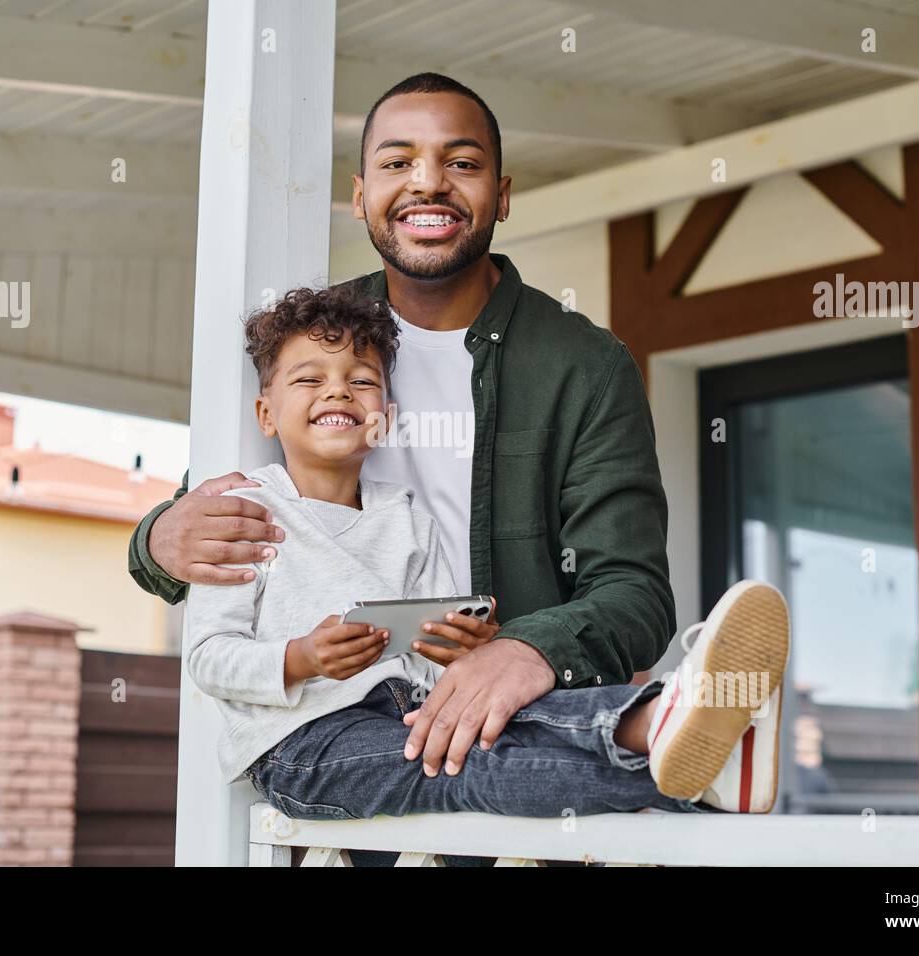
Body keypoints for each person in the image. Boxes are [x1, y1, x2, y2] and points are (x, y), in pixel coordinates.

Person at [130, 73, 790, 819]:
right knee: (462, 760)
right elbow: (202, 538)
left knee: (507, 743)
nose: (428, 185)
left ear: (502, 195)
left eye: (462, 163)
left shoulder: (583, 365)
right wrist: (160, 536)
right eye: (397, 162)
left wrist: (525, 649)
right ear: (360, 194)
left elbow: (634, 596)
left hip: (512, 736)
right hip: (335, 745)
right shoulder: (309, 343)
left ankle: (681, 731)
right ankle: (675, 749)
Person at [188, 285, 790, 829]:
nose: (339, 390)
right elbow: (209, 657)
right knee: (463, 769)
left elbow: (434, 661)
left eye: (362, 380)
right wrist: (300, 659)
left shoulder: (405, 518)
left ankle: (665, 715)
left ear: (385, 420)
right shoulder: (243, 513)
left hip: (406, 715)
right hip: (301, 747)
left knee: (510, 717)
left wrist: (460, 644)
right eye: (309, 379)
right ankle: (686, 770)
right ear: (266, 413)